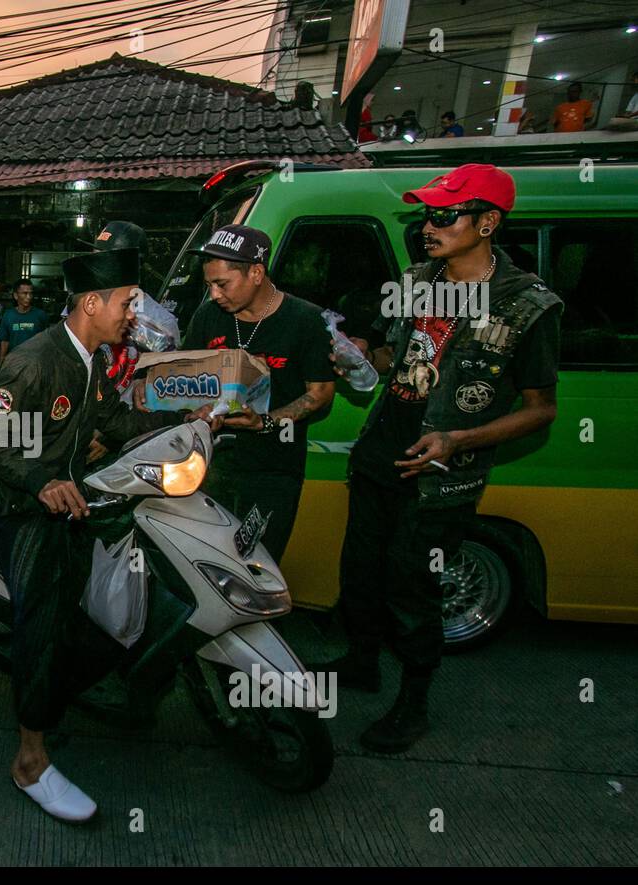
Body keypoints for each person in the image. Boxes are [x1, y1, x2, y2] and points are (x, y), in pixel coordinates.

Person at [321, 164, 561, 753]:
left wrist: (457, 441)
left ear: (488, 223)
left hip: (440, 475)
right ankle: (361, 661)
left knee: (414, 585)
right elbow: (386, 356)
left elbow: (541, 410)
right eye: (429, 214)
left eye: (446, 215)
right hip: (382, 452)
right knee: (362, 570)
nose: (431, 225)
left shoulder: (528, 306)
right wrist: (358, 354)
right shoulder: (416, 280)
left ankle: (413, 703)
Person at [0, 247, 208, 822]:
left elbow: (114, 421)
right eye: (128, 302)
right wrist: (42, 483)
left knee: (105, 602)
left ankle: (61, 691)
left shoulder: (94, 358)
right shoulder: (31, 362)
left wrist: (189, 417)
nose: (133, 313)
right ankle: (29, 759)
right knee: (45, 616)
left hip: (70, 492)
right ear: (92, 302)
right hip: (21, 504)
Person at [146, 225, 336, 563]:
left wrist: (264, 422)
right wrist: (198, 410)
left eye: (222, 284)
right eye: (209, 286)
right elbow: (191, 380)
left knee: (257, 564)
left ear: (257, 273)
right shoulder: (209, 316)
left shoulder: (306, 321)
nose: (215, 295)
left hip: (272, 469)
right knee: (207, 564)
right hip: (211, 465)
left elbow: (320, 394)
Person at [0, 278, 47, 365]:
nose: (28, 297)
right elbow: (4, 342)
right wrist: (1, 365)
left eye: (31, 293)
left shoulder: (40, 315)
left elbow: (45, 342)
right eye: (25, 293)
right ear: (16, 295)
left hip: (34, 364)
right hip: (13, 363)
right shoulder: (8, 315)